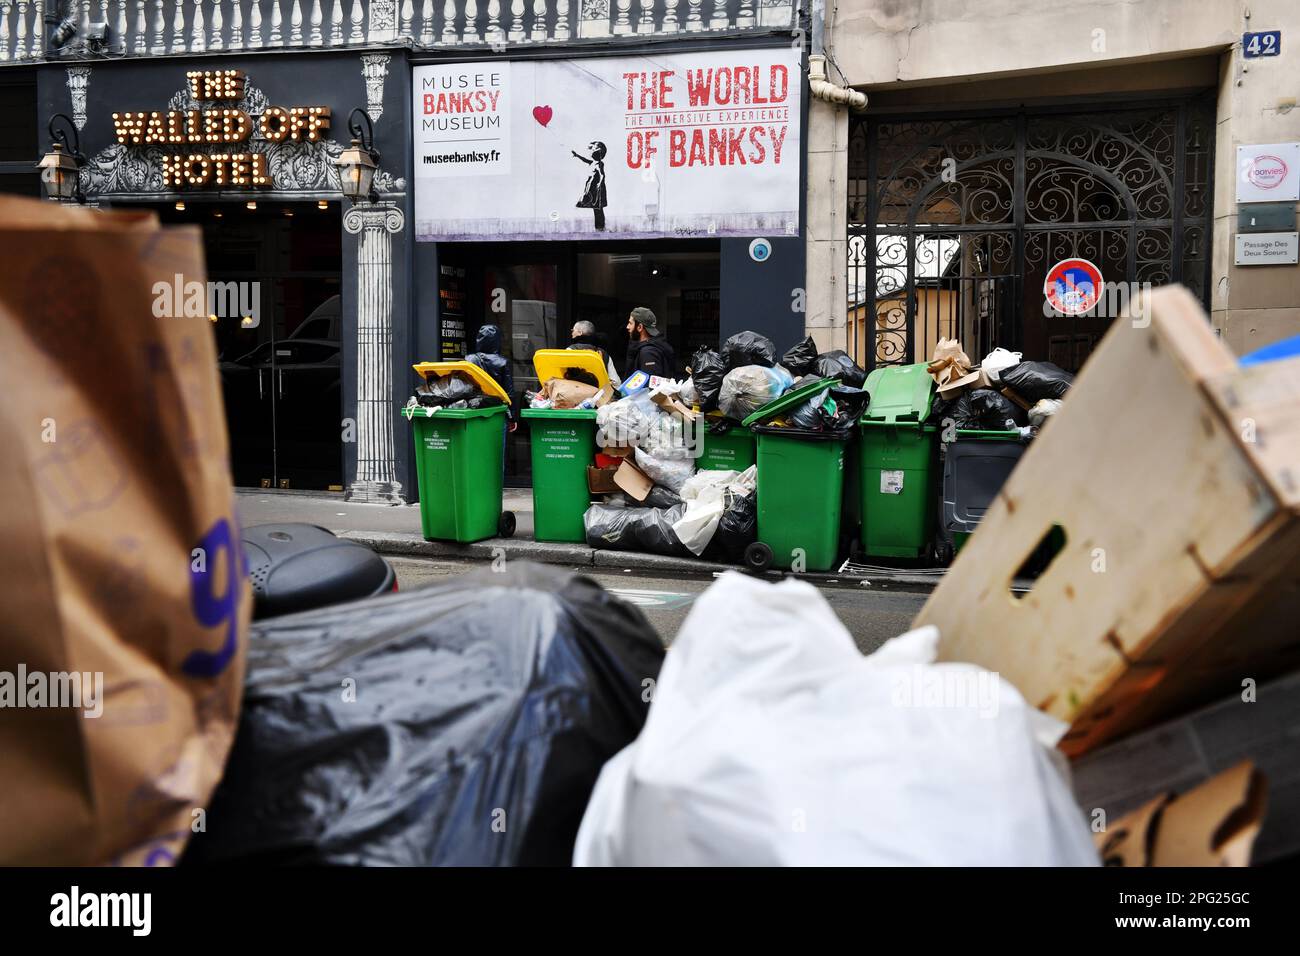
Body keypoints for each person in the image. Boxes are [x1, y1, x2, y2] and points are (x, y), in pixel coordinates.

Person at [465, 323, 517, 433]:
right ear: (497, 341)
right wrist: (512, 417)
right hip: (497, 410)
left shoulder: (469, 360)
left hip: (474, 408)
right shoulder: (503, 362)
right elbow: (509, 392)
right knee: (495, 445)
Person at [624, 307, 676, 379]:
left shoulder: (648, 353)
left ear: (639, 327)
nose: (627, 327)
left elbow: (650, 387)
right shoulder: (651, 347)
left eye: (630, 323)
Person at [568, 319, 622, 390]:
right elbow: (616, 382)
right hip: (599, 397)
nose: (571, 333)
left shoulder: (570, 351)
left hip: (575, 395)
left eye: (573, 330)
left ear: (580, 333)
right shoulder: (604, 354)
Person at [572, 142, 608, 231]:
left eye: (593, 149)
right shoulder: (592, 162)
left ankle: (600, 227)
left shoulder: (599, 164)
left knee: (598, 208)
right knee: (596, 208)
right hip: (591, 187)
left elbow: (602, 175)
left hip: (596, 187)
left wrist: (599, 183)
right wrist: (577, 155)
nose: (591, 151)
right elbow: (584, 159)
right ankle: (599, 227)